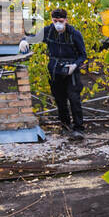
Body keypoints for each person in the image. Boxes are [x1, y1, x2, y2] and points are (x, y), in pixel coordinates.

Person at [41, 7, 87, 136]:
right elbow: (33, 38)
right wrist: (24, 41)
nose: (58, 24)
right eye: (55, 21)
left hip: (71, 70)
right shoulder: (48, 31)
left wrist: (75, 65)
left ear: (66, 20)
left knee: (74, 99)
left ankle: (78, 128)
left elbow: (83, 55)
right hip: (55, 70)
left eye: (60, 21)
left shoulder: (74, 34)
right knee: (60, 100)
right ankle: (66, 125)